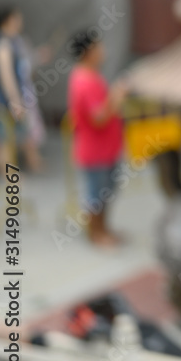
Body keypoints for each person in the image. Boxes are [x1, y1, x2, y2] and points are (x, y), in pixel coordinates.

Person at [67, 32, 126, 248]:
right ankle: (96, 235)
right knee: (96, 195)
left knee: (105, 193)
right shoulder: (85, 81)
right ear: (89, 52)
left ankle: (104, 230)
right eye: (99, 47)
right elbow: (99, 118)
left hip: (104, 149)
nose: (103, 51)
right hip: (95, 151)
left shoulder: (88, 76)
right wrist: (116, 96)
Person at [0, 7, 44, 172]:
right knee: (4, 142)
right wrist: (15, 101)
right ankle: (12, 187)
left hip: (8, 101)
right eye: (17, 18)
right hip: (3, 102)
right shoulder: (3, 45)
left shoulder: (12, 42)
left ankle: (11, 184)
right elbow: (7, 77)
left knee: (8, 142)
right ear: (9, 20)